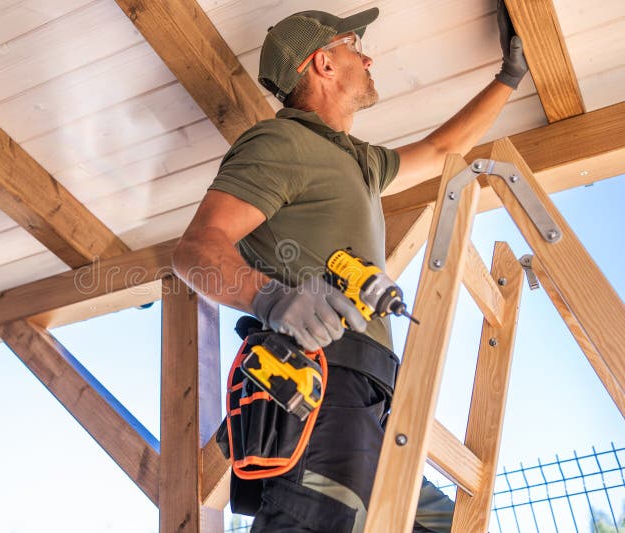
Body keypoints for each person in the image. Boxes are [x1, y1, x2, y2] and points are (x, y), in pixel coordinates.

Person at [172, 3, 528, 532]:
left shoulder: (358, 161)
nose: (368, 57)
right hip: (316, 383)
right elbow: (196, 249)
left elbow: (442, 148)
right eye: (354, 48)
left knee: (444, 526)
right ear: (323, 64)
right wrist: (269, 298)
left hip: (369, 391)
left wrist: (510, 76)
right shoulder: (279, 143)